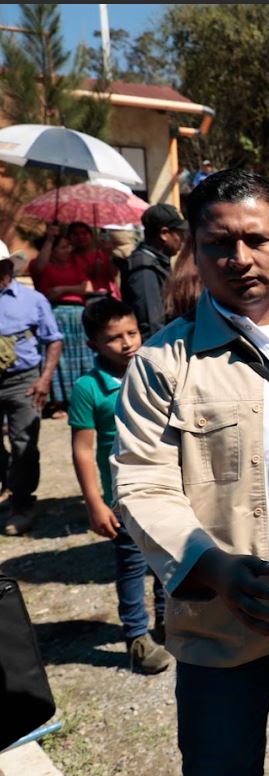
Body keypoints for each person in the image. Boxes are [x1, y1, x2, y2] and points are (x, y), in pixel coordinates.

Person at [112, 169, 269, 776]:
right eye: (218, 243)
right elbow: (143, 481)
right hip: (225, 607)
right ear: (194, 246)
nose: (239, 258)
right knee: (220, 767)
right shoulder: (164, 362)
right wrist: (214, 568)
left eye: (256, 239)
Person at [69, 297, 170, 673]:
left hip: (164, 485)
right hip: (123, 495)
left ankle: (167, 619)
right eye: (115, 338)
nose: (128, 343)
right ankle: (136, 637)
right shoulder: (87, 388)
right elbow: (82, 449)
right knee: (131, 564)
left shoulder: (154, 370)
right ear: (93, 345)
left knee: (166, 556)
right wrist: (95, 503)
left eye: (133, 332)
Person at [0, 257, 61, 536]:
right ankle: (6, 487)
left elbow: (53, 339)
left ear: (9, 268)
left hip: (22, 381)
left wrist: (44, 378)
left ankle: (22, 506)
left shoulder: (32, 299)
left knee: (24, 444)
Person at [30, 228, 93, 414]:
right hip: (54, 315)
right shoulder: (42, 266)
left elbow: (86, 287)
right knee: (59, 359)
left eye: (69, 247)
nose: (67, 250)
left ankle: (80, 398)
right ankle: (57, 401)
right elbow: (38, 268)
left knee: (80, 358)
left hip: (77, 317)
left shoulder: (76, 263)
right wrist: (50, 238)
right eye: (63, 247)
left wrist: (63, 289)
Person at [118, 204, 188, 339]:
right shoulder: (145, 269)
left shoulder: (156, 262)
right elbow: (151, 325)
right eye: (179, 233)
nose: (182, 239)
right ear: (164, 234)